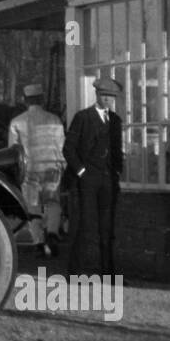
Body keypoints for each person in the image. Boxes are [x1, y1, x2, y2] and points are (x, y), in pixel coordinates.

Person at [63, 76, 125, 276]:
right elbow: (68, 149)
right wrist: (81, 172)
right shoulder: (83, 117)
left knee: (107, 228)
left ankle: (108, 274)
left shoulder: (115, 120)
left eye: (112, 97)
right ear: (97, 95)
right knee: (86, 226)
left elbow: (117, 150)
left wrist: (117, 172)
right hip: (87, 180)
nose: (108, 100)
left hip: (108, 179)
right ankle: (76, 273)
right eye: (105, 96)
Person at [7, 83, 65, 257]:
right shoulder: (54, 119)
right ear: (41, 99)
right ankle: (53, 233)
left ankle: (39, 242)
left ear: (25, 101)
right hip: (52, 166)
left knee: (32, 205)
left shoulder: (17, 122)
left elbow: (13, 150)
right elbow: (61, 144)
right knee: (53, 202)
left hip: (31, 168)